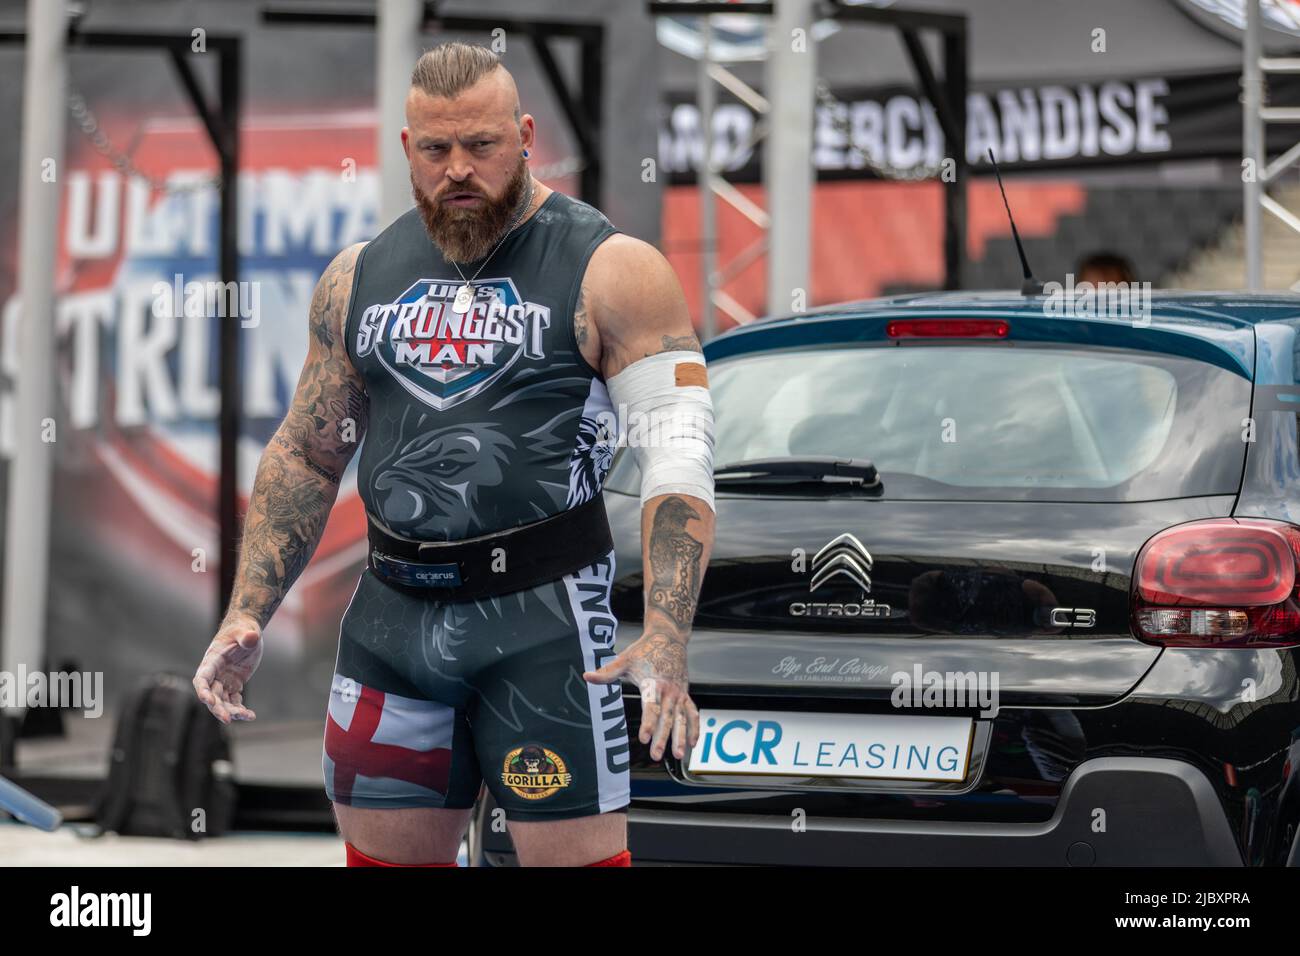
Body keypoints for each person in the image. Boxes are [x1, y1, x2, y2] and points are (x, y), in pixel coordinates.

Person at [191, 41, 717, 867]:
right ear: (407, 148)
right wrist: (247, 610)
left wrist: (667, 633)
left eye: (482, 145)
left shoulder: (615, 270)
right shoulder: (359, 276)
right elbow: (305, 455)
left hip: (546, 632)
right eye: (436, 149)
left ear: (527, 135)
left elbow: (679, 452)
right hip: (390, 625)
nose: (459, 170)